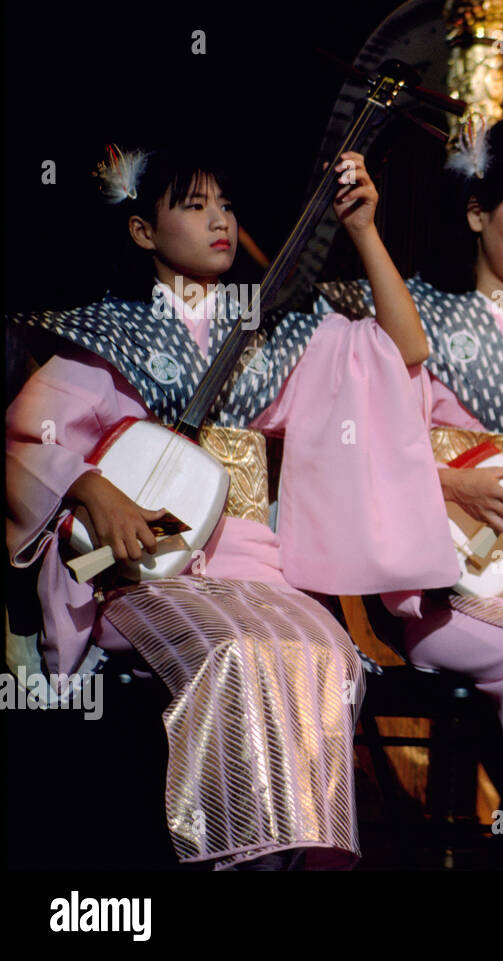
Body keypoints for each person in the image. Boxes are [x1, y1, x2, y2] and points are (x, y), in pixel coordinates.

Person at [6, 144, 459, 869]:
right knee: (234, 652)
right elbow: (26, 439)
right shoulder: (108, 336)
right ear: (143, 232)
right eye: (194, 205)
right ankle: (236, 854)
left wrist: (365, 230)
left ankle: (288, 856)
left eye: (226, 204)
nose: (220, 220)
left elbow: (401, 349)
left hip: (257, 566)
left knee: (327, 654)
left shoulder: (268, 337)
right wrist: (93, 487)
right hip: (152, 570)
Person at [316, 119, 503, 868]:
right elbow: (359, 445)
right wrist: (451, 479)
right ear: (478, 212)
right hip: (451, 576)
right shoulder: (412, 313)